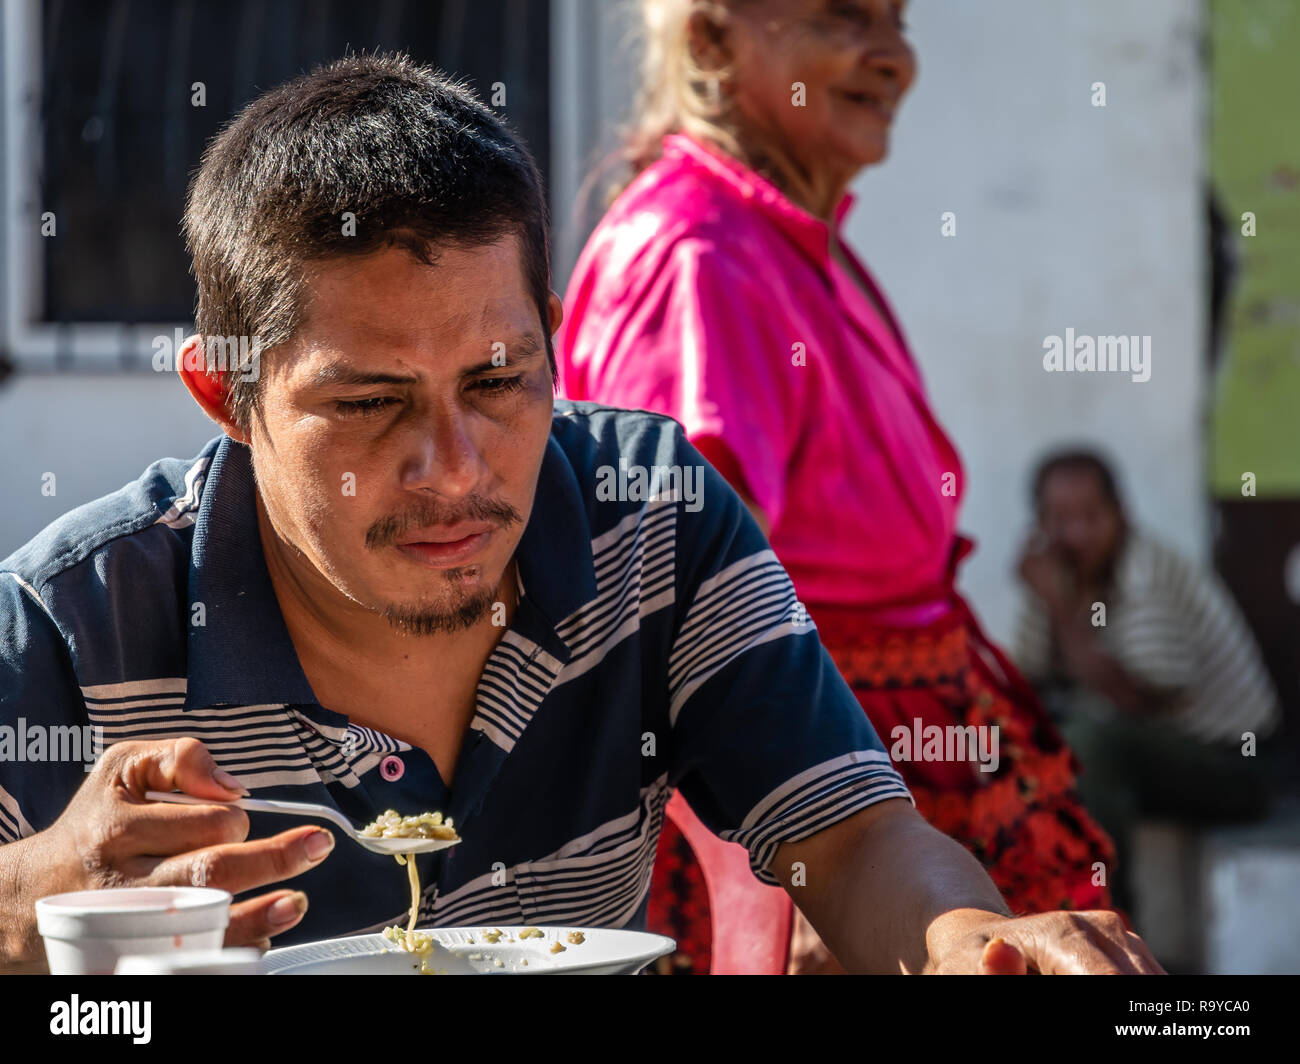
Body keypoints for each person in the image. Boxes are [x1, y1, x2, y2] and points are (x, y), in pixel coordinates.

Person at [0, 53, 1160, 977]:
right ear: (226, 394)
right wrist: (26, 905)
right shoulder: (72, 622)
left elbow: (850, 841)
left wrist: (974, 944)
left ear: (554, 341)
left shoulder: (650, 521)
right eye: (367, 402)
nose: (453, 469)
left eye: (499, 381)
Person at [557, 0, 1120, 974]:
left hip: (874, 822)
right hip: (815, 836)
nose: (893, 58)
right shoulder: (701, 259)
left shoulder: (783, 241)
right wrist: (794, 873)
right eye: (841, 16)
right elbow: (666, 612)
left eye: (898, 20)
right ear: (711, 37)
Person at [1013, 448, 1280, 912]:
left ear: (1121, 515)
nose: (1074, 534)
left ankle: (1112, 928)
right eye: (1058, 519)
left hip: (1237, 764)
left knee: (1091, 743)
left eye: (1089, 517)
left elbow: (1133, 699)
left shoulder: (1145, 571)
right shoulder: (1059, 572)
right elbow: (1028, 681)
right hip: (1161, 755)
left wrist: (1060, 608)